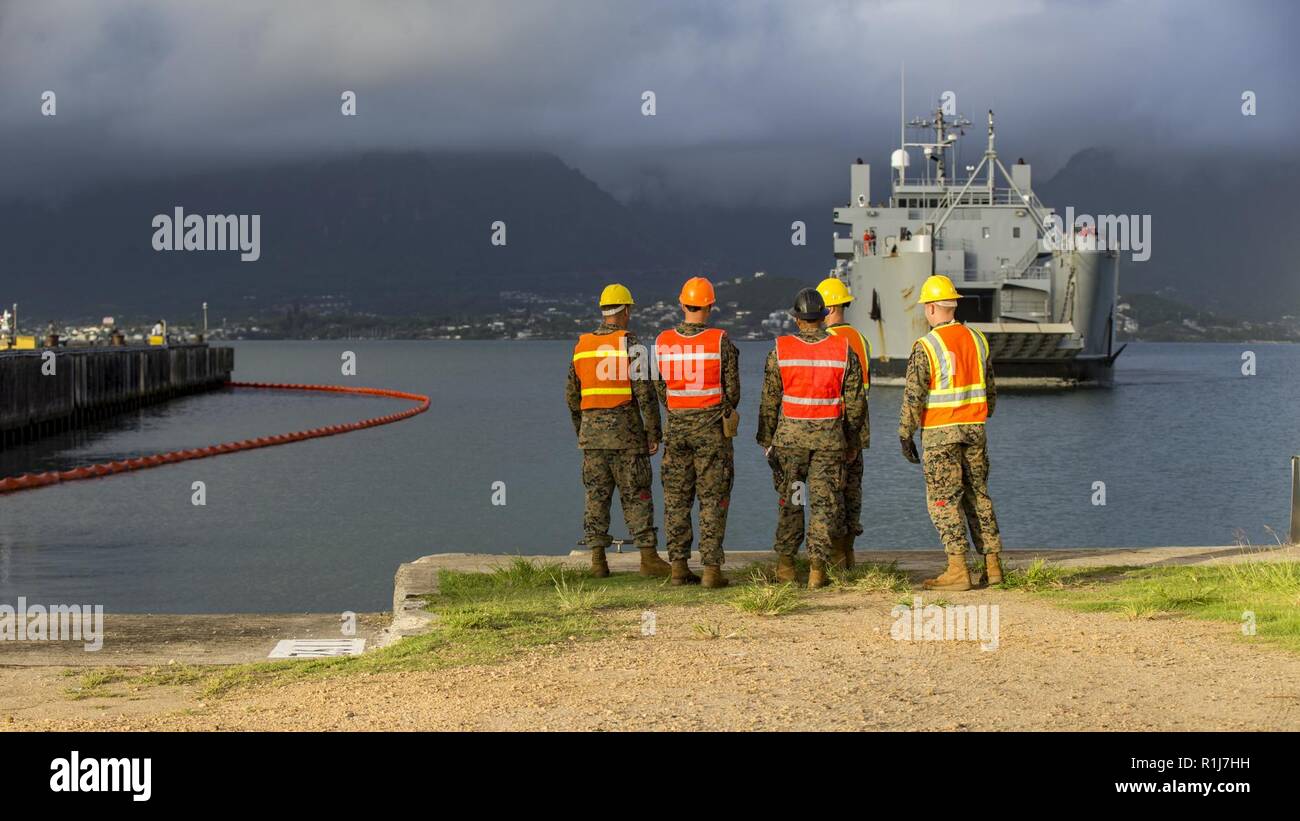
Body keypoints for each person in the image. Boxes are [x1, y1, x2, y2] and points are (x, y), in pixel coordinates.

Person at [757, 288, 867, 589]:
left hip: (789, 443)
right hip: (829, 442)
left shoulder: (780, 350)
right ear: (823, 316)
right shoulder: (843, 350)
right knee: (823, 504)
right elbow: (856, 404)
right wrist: (854, 442)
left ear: (796, 318)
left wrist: (766, 439)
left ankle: (786, 566)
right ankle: (818, 570)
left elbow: (769, 400)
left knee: (792, 500)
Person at [898, 275, 1003, 591]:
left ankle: (958, 569)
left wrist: (906, 433)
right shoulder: (978, 339)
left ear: (931, 308)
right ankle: (993, 566)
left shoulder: (926, 346)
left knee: (943, 500)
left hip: (940, 435)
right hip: (975, 431)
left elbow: (914, 395)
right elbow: (991, 392)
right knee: (978, 496)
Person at [566, 284, 672, 578]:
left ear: (603, 311)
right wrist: (654, 434)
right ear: (626, 311)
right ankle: (648, 559)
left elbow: (572, 397)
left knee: (596, 497)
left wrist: (583, 431)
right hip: (627, 438)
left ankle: (598, 561)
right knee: (637, 494)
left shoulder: (581, 345)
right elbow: (647, 394)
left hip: (592, 439)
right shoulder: (632, 344)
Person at [653, 277, 739, 589]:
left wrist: (679, 407)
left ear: (681, 304)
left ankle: (678, 567)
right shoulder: (720, 341)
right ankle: (711, 571)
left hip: (675, 429)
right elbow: (733, 392)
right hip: (712, 431)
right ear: (710, 306)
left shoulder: (662, 342)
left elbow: (660, 389)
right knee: (712, 499)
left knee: (676, 498)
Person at [816, 277, 871, 569]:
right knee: (853, 489)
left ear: (829, 308)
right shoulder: (861, 339)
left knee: (831, 490)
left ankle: (834, 558)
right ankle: (848, 554)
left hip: (834, 426)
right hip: (859, 426)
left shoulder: (830, 342)